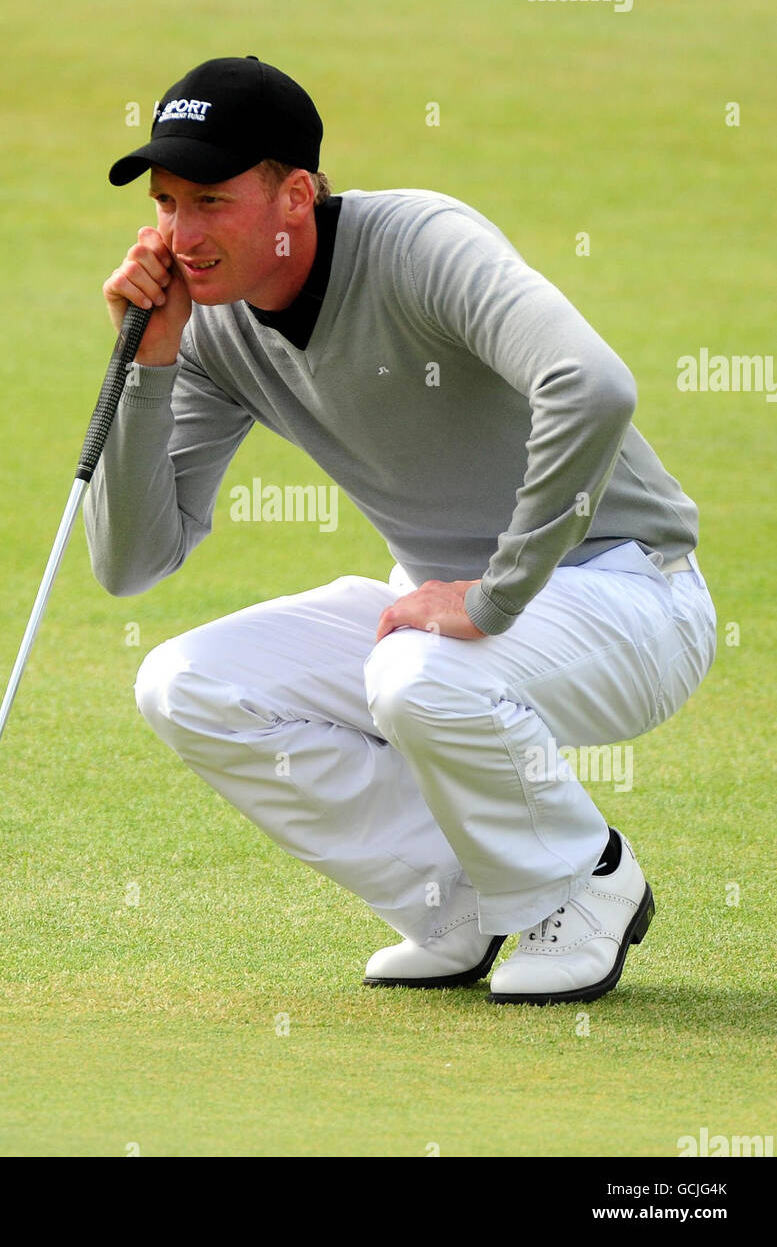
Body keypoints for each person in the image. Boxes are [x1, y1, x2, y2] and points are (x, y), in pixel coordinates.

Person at [85, 54, 717, 1004]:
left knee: (413, 673)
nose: (179, 234)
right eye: (168, 203)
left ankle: (583, 881)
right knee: (186, 683)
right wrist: (152, 363)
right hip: (439, 622)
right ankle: (449, 896)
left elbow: (591, 388)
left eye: (209, 201)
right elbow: (131, 561)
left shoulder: (421, 241)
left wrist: (497, 594)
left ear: (293, 194)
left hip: (633, 597)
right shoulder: (208, 327)